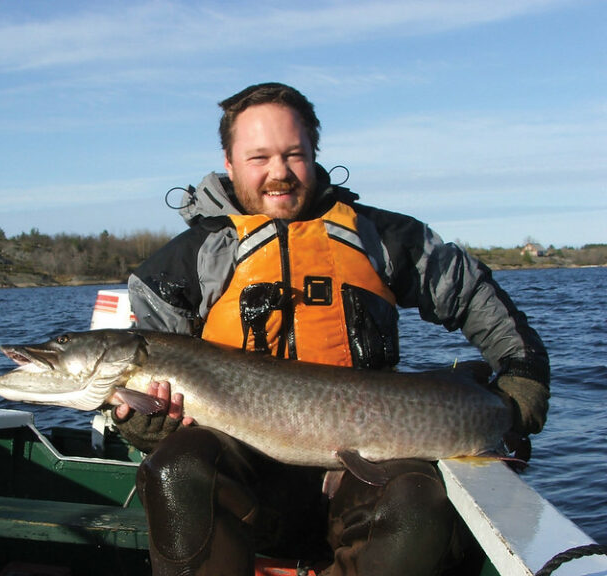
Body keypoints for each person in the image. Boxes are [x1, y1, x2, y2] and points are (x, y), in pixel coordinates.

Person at [113, 82, 550, 576]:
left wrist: (523, 369)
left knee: (417, 505)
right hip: (247, 483)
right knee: (173, 470)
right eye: (259, 157)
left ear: (314, 153)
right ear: (229, 163)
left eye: (293, 154)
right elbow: (158, 393)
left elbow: (471, 293)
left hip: (367, 466)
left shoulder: (381, 237)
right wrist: (146, 428)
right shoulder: (182, 262)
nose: (278, 173)